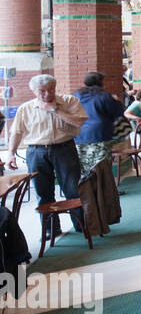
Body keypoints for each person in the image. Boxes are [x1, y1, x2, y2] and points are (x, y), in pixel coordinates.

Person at [4, 75, 87, 236]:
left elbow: (79, 122)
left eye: (51, 89)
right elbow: (16, 132)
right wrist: (11, 154)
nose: (47, 94)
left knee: (72, 189)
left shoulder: (69, 101)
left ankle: (81, 224)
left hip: (64, 148)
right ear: (34, 91)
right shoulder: (26, 108)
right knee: (43, 191)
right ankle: (50, 228)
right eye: (42, 91)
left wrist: (56, 110)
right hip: (36, 151)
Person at [73, 72, 127, 173]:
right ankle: (103, 188)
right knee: (102, 165)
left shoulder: (77, 95)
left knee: (85, 165)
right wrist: (117, 101)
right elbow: (118, 112)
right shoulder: (104, 95)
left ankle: (88, 188)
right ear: (100, 82)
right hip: (100, 134)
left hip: (80, 134)